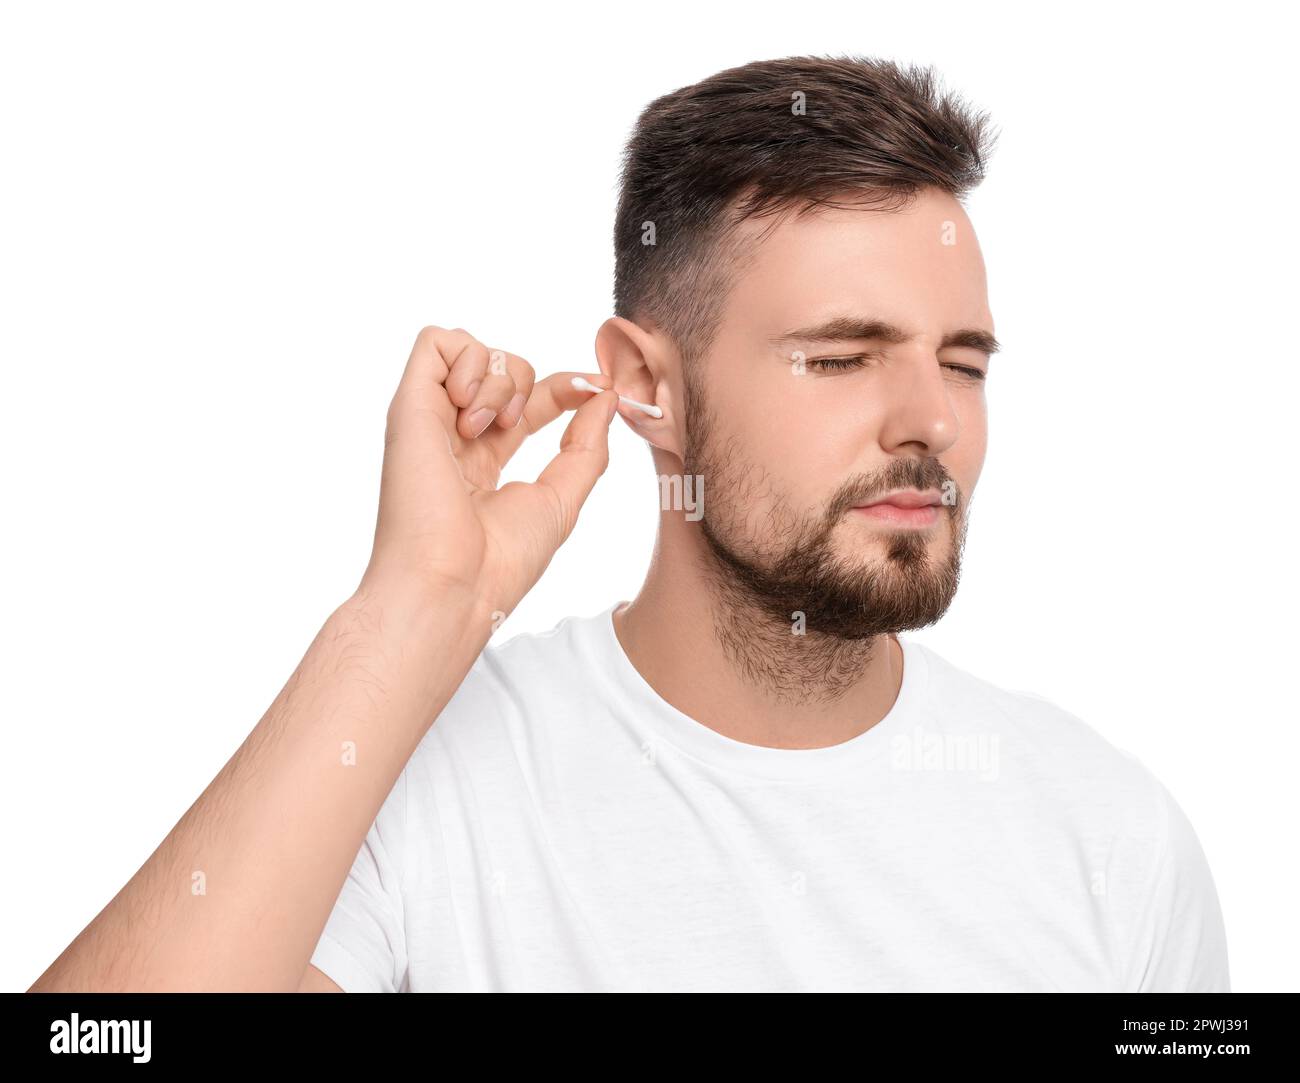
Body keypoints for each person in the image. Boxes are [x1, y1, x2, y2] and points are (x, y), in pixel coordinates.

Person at [28, 54, 1229, 993]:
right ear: (647, 387)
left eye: (962, 362)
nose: (930, 424)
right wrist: (410, 616)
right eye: (838, 357)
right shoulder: (427, 788)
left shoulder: (1112, 836)